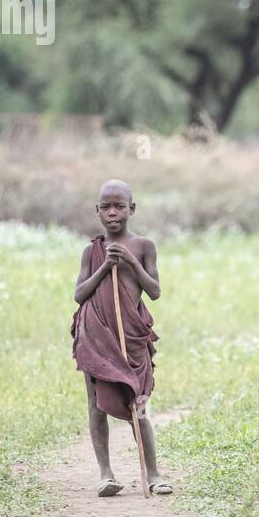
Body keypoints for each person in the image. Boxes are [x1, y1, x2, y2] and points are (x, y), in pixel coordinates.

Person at [70, 179, 172, 496]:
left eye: (119, 206)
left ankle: (153, 474)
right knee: (95, 405)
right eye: (106, 207)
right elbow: (79, 295)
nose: (112, 212)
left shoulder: (144, 246)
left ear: (132, 208)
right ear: (97, 211)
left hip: (130, 340)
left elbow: (154, 291)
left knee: (138, 405)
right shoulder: (91, 251)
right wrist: (103, 268)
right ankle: (106, 474)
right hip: (96, 336)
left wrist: (129, 262)